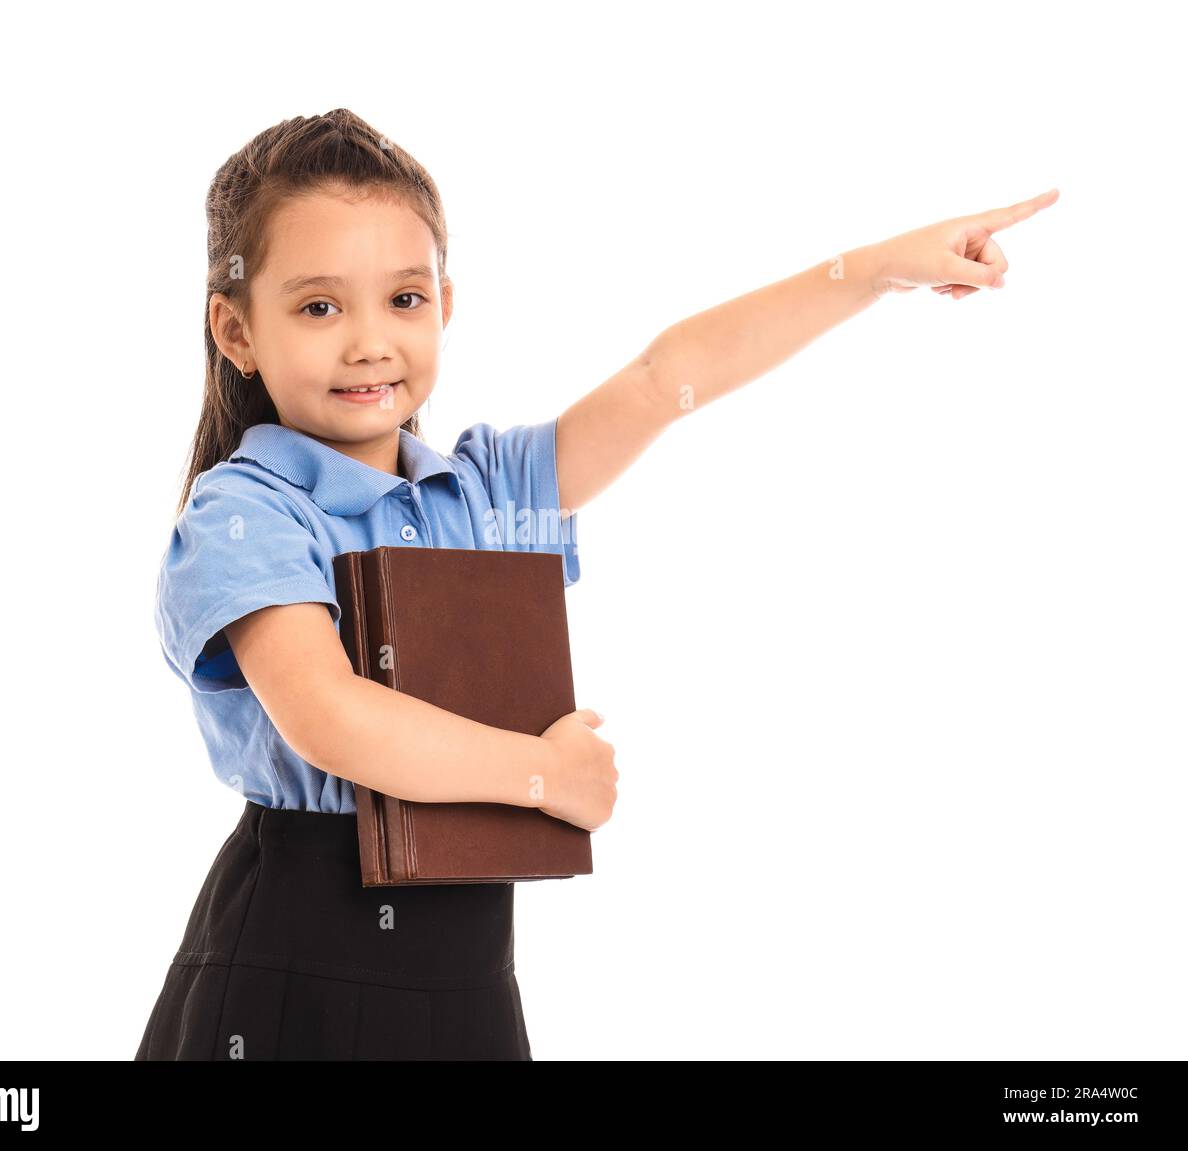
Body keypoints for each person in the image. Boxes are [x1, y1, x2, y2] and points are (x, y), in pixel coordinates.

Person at [135, 107, 1057, 1061]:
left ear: (446, 304)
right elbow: (329, 717)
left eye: (403, 299)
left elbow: (669, 377)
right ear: (236, 329)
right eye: (320, 307)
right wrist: (542, 775)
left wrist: (875, 270)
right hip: (300, 955)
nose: (370, 341)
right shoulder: (247, 509)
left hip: (467, 963)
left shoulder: (487, 491)